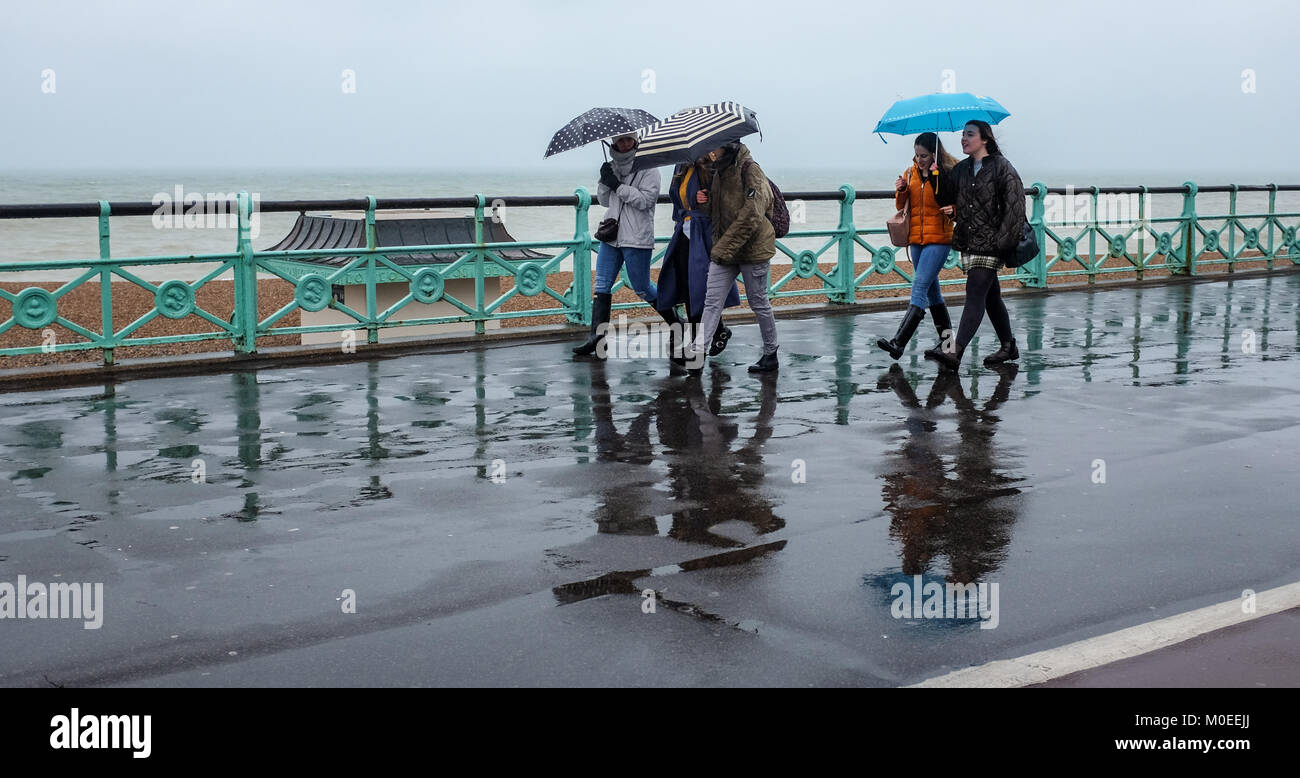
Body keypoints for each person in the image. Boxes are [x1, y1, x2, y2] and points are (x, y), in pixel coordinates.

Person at [930, 121, 1025, 370]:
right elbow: (946, 199)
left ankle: (955, 351)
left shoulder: (1002, 167)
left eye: (970, 135)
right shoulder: (961, 170)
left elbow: (1015, 207)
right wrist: (934, 176)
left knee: (974, 293)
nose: (963, 139)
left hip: (992, 243)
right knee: (990, 296)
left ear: (985, 139)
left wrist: (1001, 243)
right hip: (970, 241)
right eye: (962, 135)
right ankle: (1008, 346)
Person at [686, 141, 780, 373]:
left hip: (753, 249)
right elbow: (717, 213)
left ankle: (771, 354)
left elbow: (752, 215)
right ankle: (699, 355)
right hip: (726, 250)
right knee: (712, 302)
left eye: (714, 147)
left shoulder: (751, 169)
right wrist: (705, 202)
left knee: (758, 303)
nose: (710, 151)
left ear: (728, 146)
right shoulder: (720, 171)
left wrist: (722, 249)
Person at [573, 133, 669, 357]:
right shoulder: (613, 166)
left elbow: (645, 201)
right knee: (602, 284)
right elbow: (605, 201)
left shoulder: (649, 168)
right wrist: (605, 181)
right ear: (613, 143)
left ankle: (676, 319)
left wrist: (617, 186)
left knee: (642, 287)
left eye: (628, 140)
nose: (624, 144)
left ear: (635, 141)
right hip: (612, 234)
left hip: (636, 236)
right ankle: (597, 339)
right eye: (620, 140)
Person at [654, 156, 742, 372]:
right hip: (684, 233)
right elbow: (677, 199)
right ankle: (716, 331)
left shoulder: (713, 166)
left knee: (698, 291)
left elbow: (728, 198)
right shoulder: (681, 165)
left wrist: (707, 198)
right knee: (686, 290)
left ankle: (697, 355)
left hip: (703, 235)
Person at [877, 132, 956, 360]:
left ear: (934, 153)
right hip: (916, 239)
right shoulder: (910, 172)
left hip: (939, 238)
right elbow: (902, 205)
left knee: (919, 286)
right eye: (916, 155)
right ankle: (949, 347)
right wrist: (901, 189)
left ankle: (898, 343)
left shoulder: (945, 173)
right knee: (934, 294)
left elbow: (954, 202)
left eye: (923, 155)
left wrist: (936, 178)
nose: (919, 159)